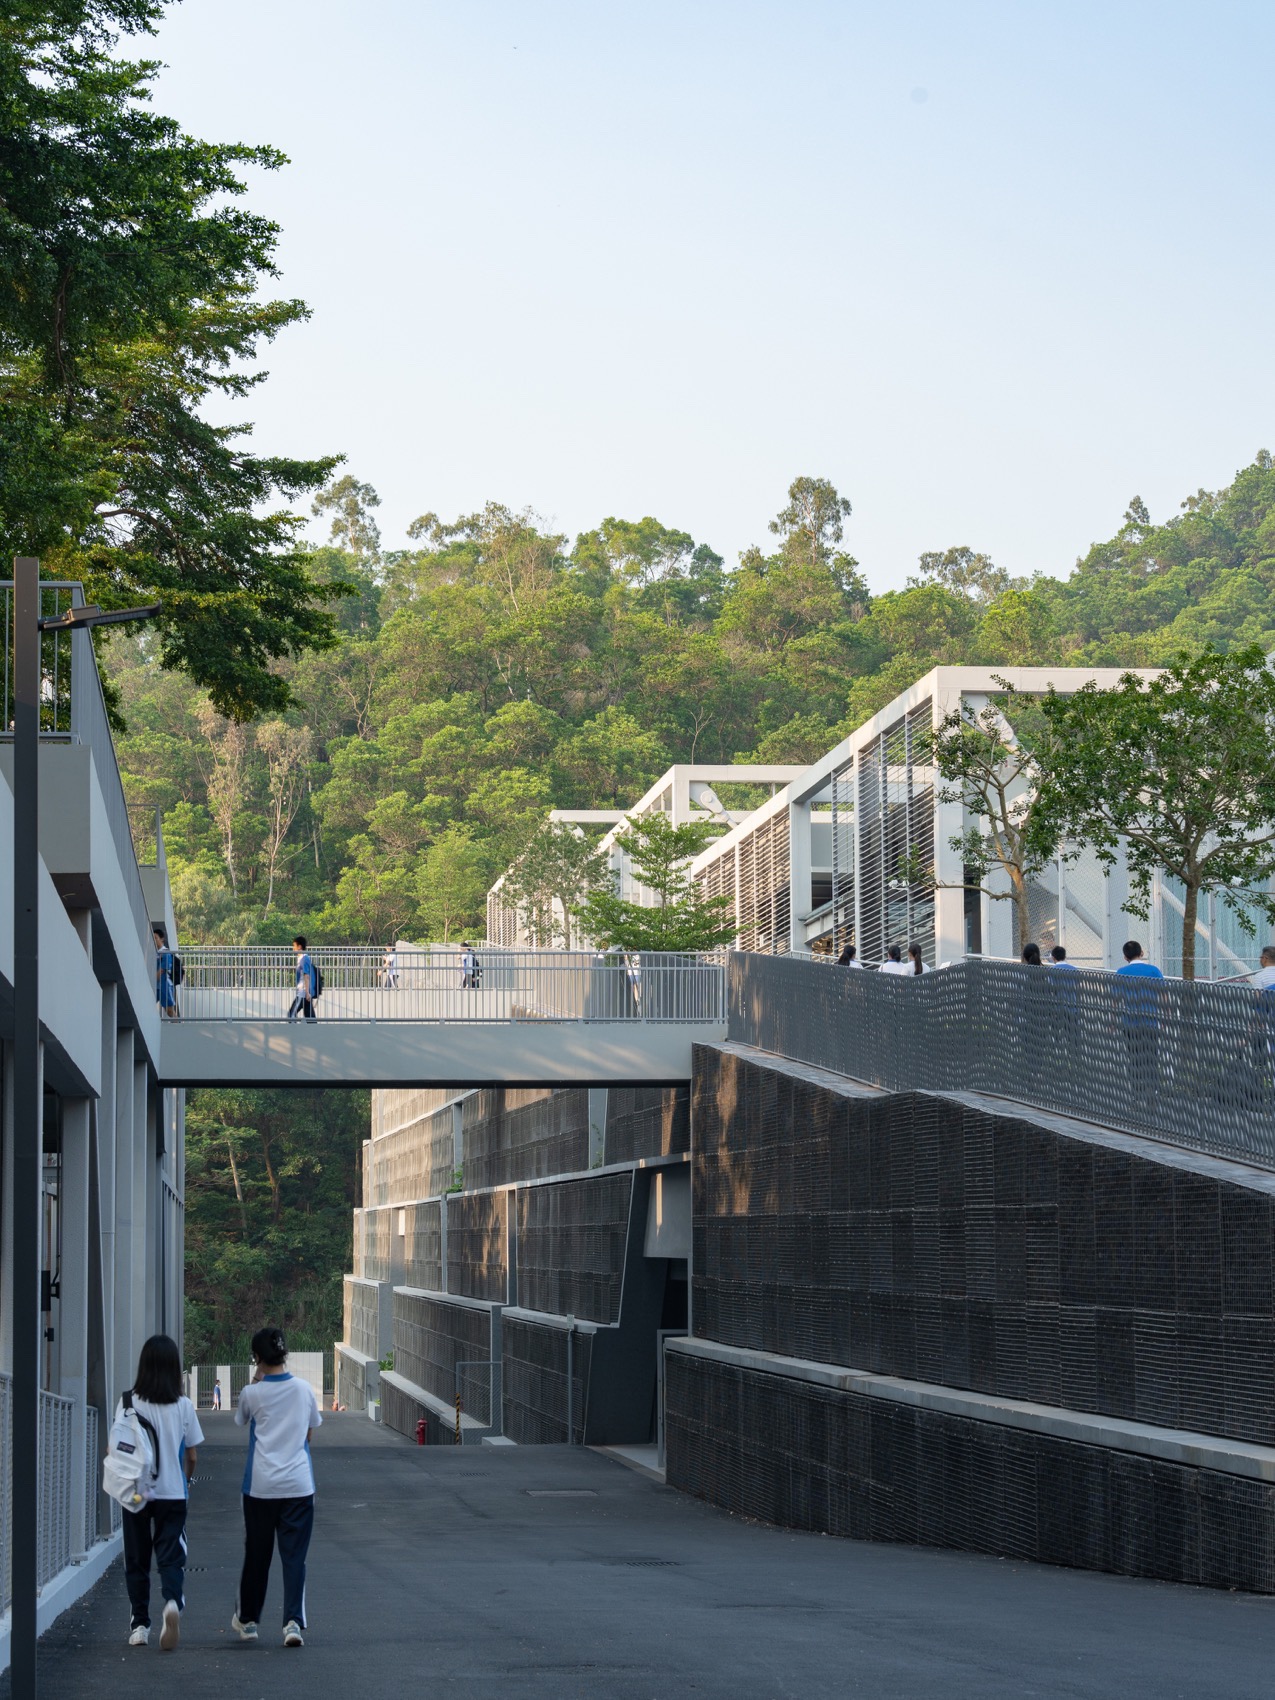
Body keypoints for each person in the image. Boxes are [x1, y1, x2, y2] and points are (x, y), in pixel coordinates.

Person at [232, 1325, 322, 1650]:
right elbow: (310, 1433)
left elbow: (241, 1421)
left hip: (260, 1487)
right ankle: (293, 1623)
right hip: (299, 1484)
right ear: (285, 1354)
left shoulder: (251, 1393)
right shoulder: (304, 1390)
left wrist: (257, 1380)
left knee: (258, 1555)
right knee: (294, 1557)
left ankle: (249, 1620)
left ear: (257, 1358)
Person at [119, 1334, 203, 1651]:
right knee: (170, 1556)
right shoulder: (183, 1406)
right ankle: (171, 1603)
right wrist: (186, 1480)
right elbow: (192, 1456)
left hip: (137, 1493)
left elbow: (115, 1447)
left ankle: (139, 1626)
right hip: (172, 1492)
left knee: (137, 1558)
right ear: (173, 1369)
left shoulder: (127, 1402)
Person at [1114, 940, 1163, 1098]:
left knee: (1133, 1059)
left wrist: (1113, 1022)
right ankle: (1153, 1092)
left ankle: (1136, 1093)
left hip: (1130, 1023)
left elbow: (1115, 1000)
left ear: (1124, 957)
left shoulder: (1121, 972)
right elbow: (1164, 995)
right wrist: (1166, 1016)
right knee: (1151, 1058)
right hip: (1151, 1022)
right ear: (1141, 953)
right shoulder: (1154, 971)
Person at [288, 936, 317, 1023]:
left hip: (303, 993)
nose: (293, 949)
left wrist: (307, 992)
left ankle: (293, 1034)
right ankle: (316, 1034)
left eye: (294, 946)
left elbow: (306, 975)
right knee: (310, 1018)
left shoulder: (304, 959)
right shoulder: (301, 958)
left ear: (299, 947)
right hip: (304, 992)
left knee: (291, 1015)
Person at [154, 928, 178, 1018]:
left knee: (169, 1010)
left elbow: (163, 969)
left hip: (165, 985)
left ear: (162, 939)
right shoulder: (154, 952)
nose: (154, 940)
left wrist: (153, 978)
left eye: (155, 937)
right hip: (156, 986)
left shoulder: (165, 952)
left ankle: (178, 1026)